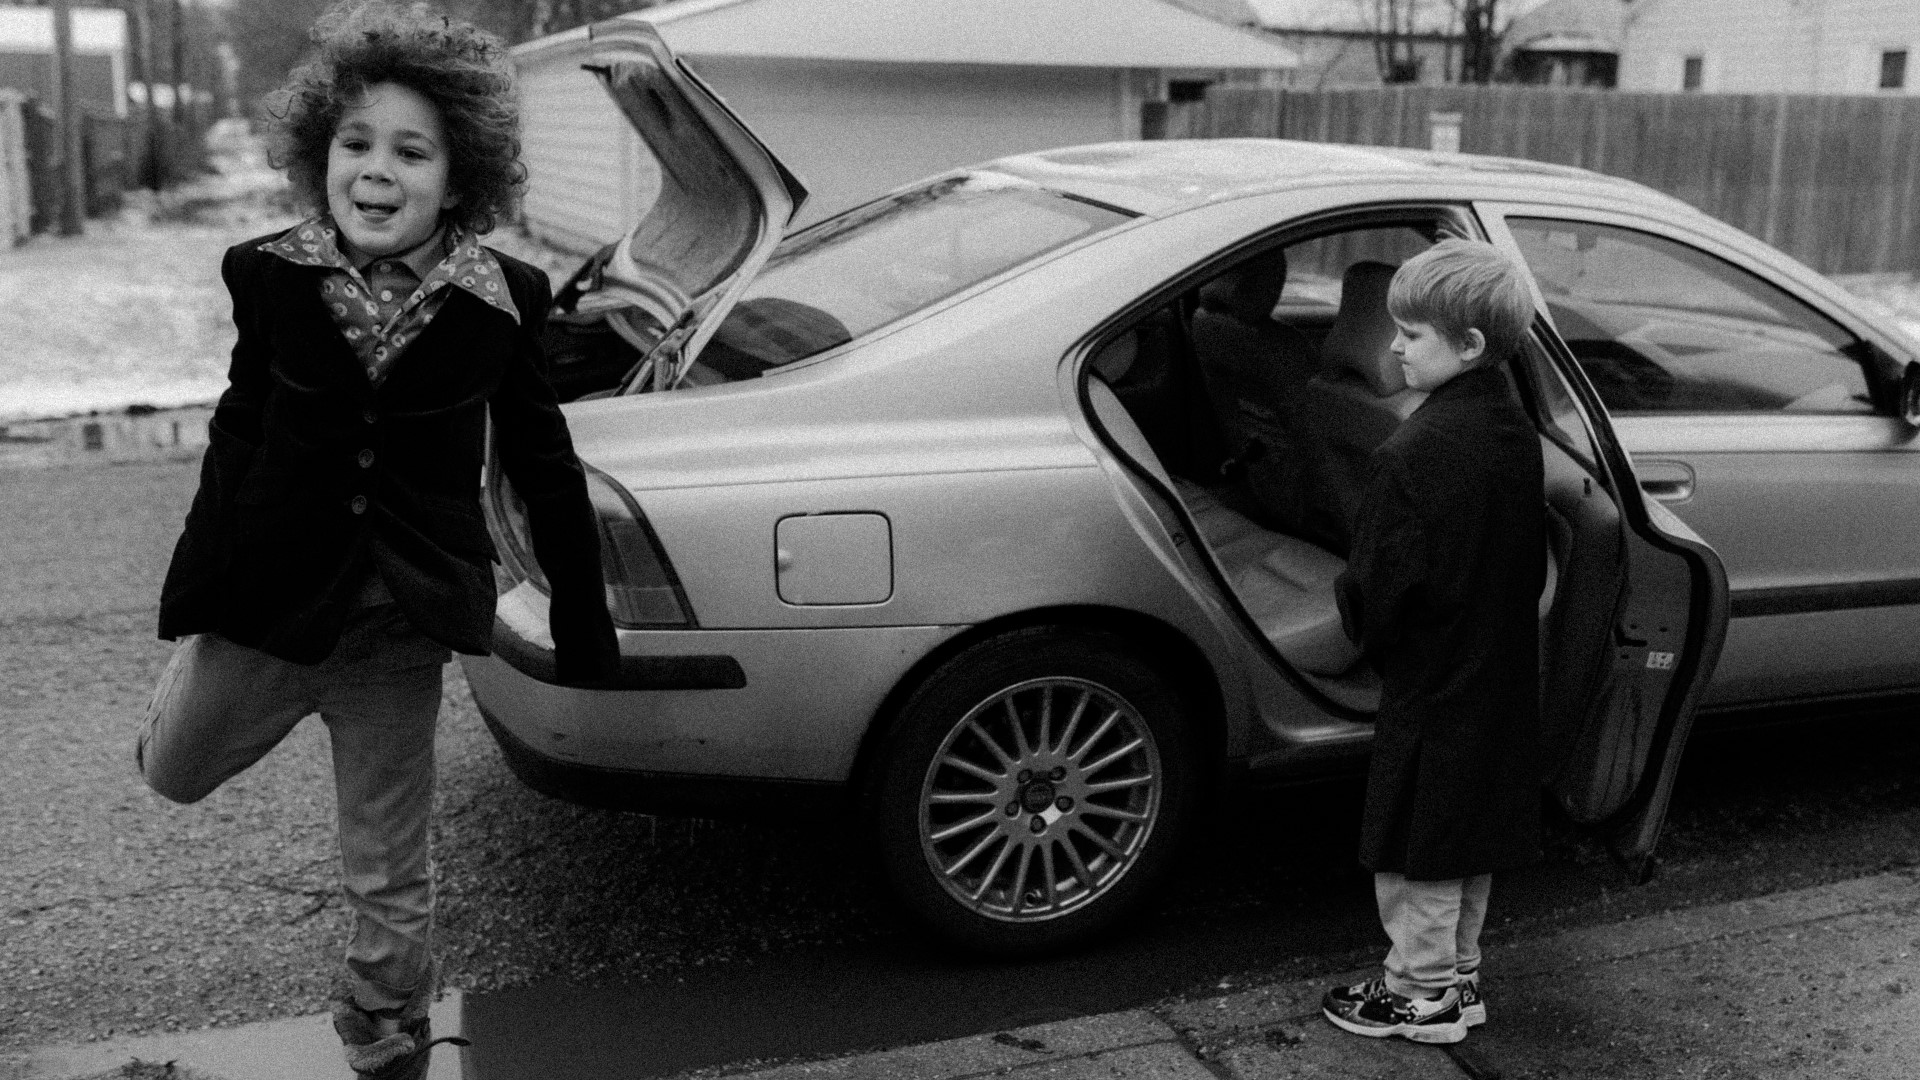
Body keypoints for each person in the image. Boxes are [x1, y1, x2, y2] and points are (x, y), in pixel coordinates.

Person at [136, 3, 620, 1076]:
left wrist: (584, 619)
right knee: (171, 773)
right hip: (265, 605)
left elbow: (545, 468)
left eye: (412, 151)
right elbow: (239, 431)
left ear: (460, 178)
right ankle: (196, 684)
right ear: (323, 157)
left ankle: (383, 1026)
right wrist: (200, 585)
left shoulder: (503, 302)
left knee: (390, 869)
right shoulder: (268, 275)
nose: (378, 169)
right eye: (357, 144)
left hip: (398, 627)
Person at [1320, 238, 1546, 1045]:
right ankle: (1459, 979)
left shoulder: (1410, 454)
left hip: (1432, 675)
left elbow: (1379, 589)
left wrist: (1361, 630)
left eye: (1411, 335)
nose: (1391, 346)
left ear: (1471, 345)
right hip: (1497, 667)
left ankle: (1417, 994)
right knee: (1465, 832)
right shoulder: (1512, 431)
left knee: (1415, 844)